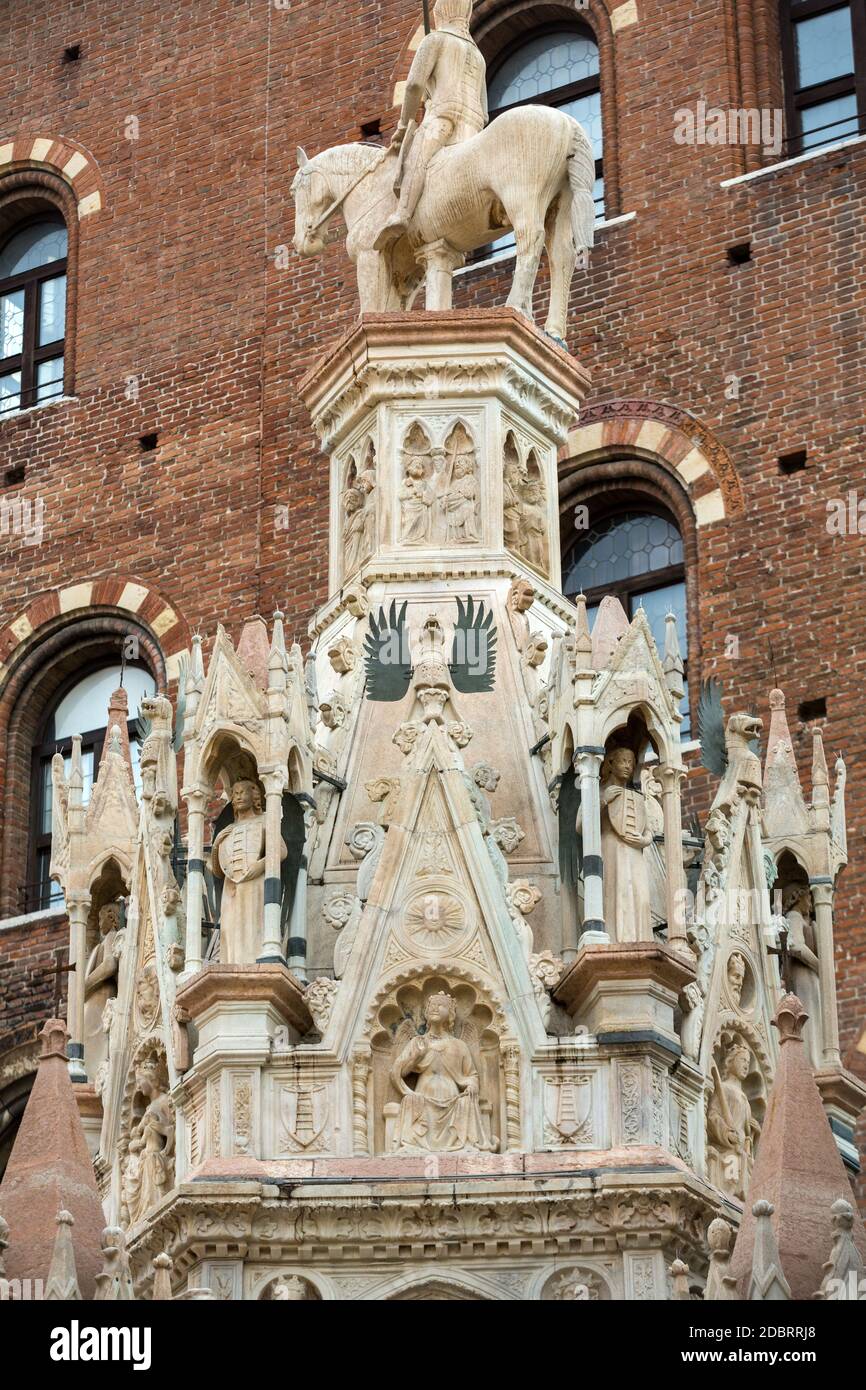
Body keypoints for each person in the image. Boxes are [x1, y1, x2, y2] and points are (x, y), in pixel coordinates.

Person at [375, 0, 487, 248]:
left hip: (444, 117)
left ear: (442, 12)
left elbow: (414, 85)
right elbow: (486, 110)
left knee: (417, 156)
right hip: (474, 126)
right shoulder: (478, 56)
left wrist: (403, 127)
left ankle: (402, 214)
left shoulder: (434, 40)